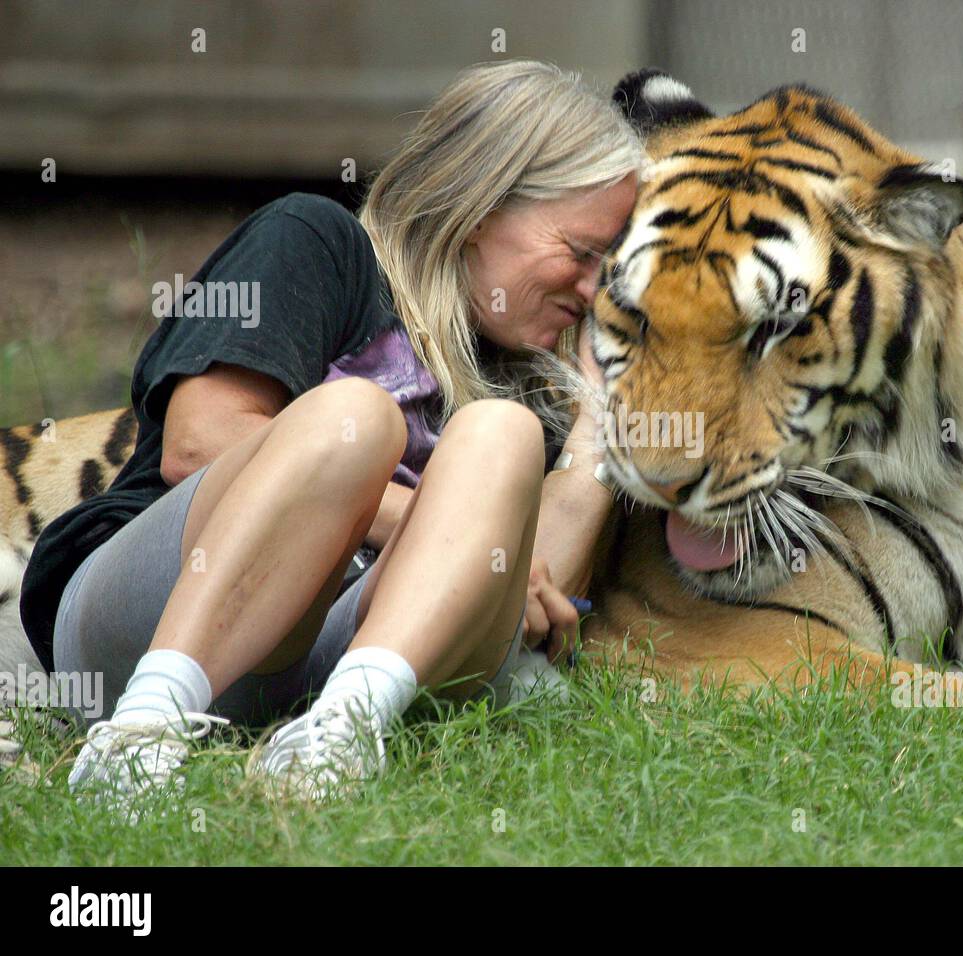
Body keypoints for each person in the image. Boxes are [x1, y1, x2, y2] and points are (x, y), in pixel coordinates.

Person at [18, 59, 643, 808]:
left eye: (610, 266)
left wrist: (598, 426)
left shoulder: (524, 381)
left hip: (332, 662)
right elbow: (199, 445)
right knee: (358, 418)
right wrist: (425, 515)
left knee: (501, 433)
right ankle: (139, 736)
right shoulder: (316, 244)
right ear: (483, 205)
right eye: (582, 253)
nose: (594, 289)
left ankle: (339, 737)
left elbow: (525, 597)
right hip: (163, 620)